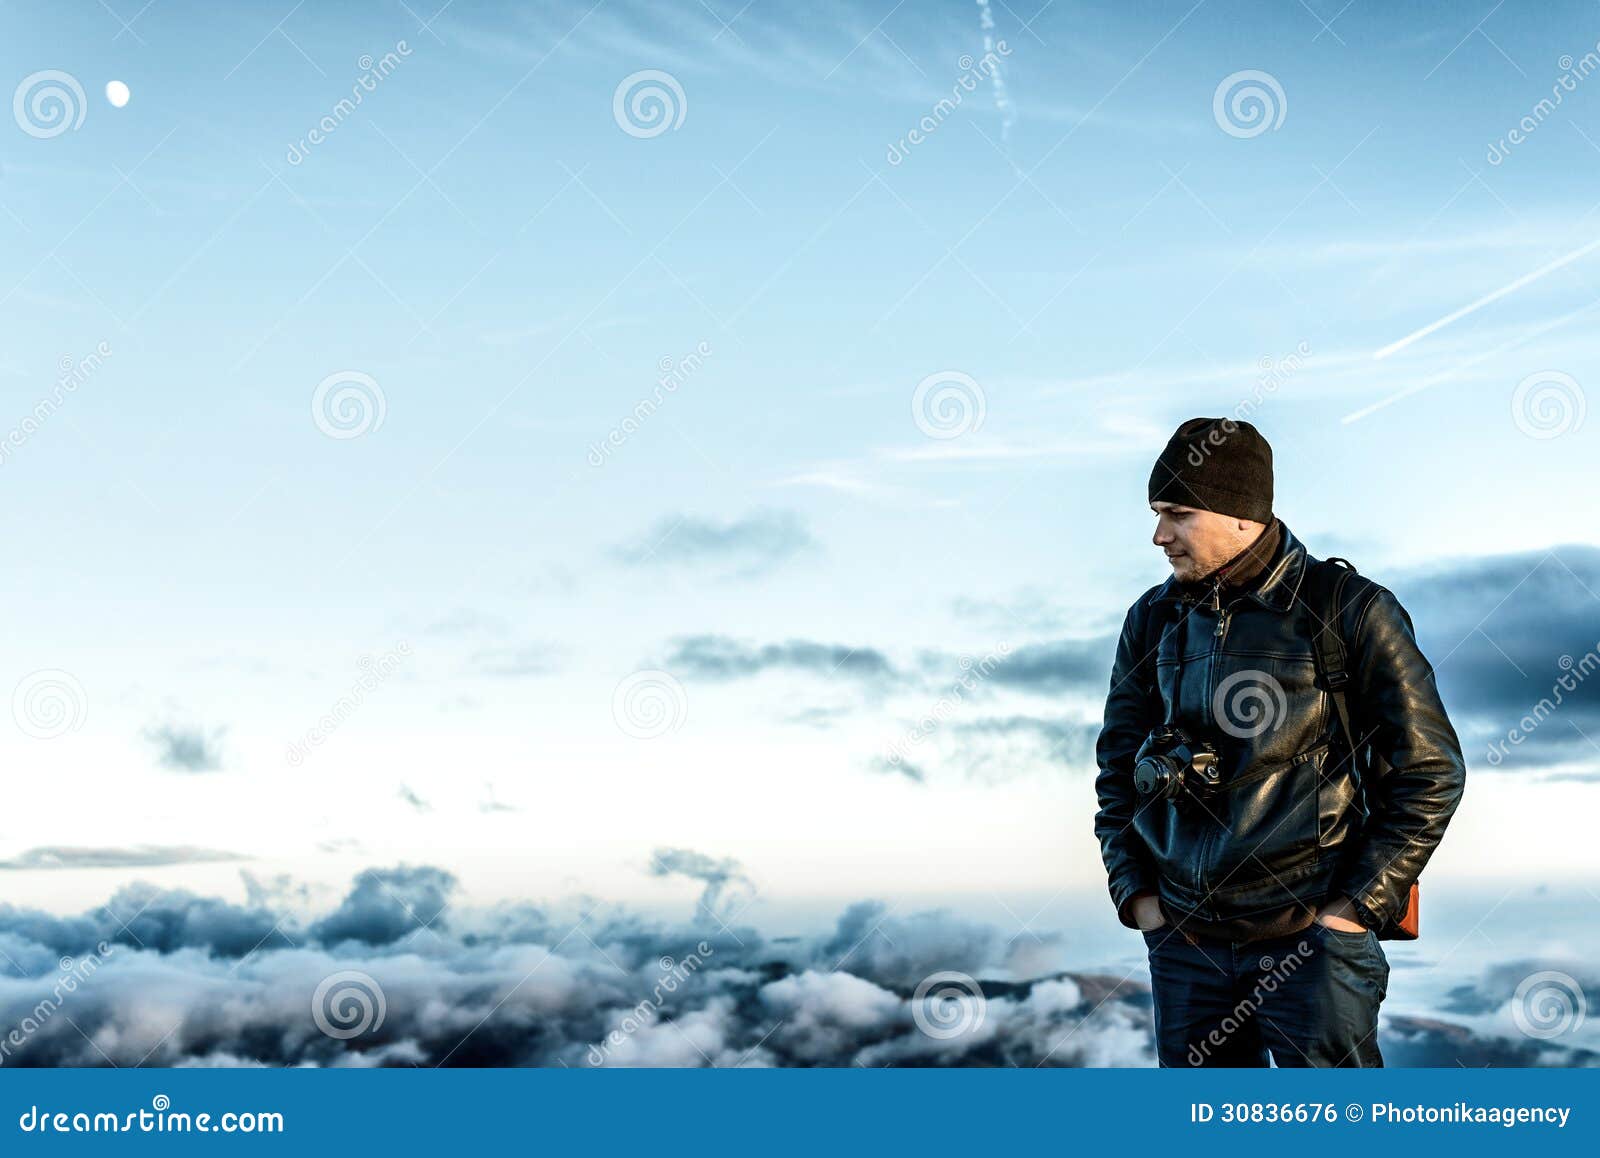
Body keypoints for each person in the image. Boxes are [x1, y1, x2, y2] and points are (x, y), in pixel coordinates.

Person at [1093, 417, 1466, 1067]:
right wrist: (1139, 898)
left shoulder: (1348, 608)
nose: (1160, 536)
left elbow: (1431, 770)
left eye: (1178, 514)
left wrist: (1353, 909)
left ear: (1240, 515)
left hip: (1312, 946)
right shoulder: (1151, 619)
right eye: (1157, 515)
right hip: (1186, 944)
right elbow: (1118, 766)